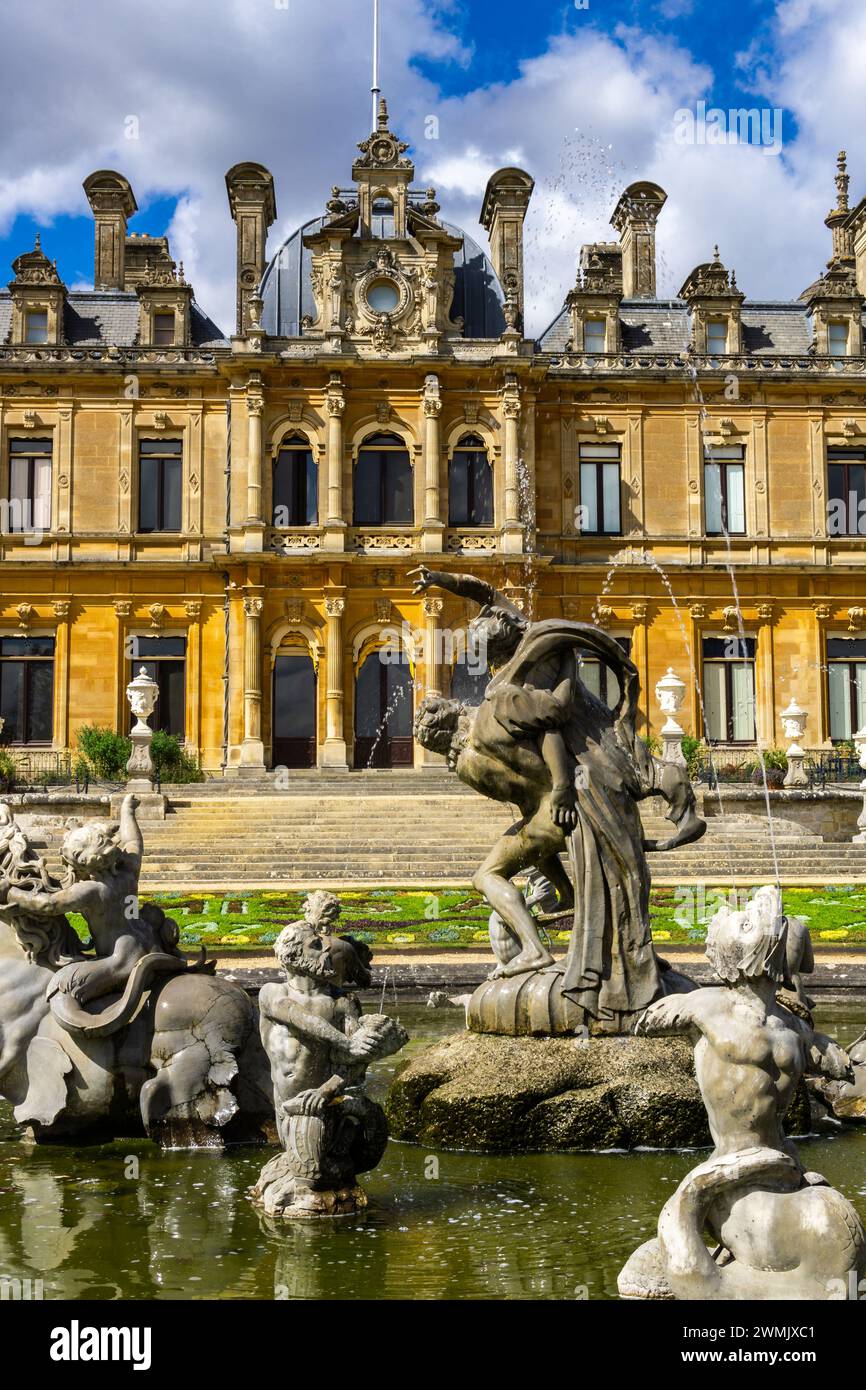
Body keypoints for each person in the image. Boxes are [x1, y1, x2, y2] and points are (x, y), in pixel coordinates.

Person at [410, 566, 704, 1019]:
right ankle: (620, 954)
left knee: (606, 867)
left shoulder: (505, 693)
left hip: (572, 781)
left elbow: (550, 725)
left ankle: (575, 958)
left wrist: (564, 788)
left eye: (477, 645)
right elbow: (484, 590)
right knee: (622, 867)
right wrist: (442, 579)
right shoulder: (530, 639)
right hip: (585, 761)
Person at [5, 794, 183, 1015]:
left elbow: (48, 905)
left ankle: (93, 1031)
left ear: (82, 865)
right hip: (151, 945)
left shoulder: (90, 891)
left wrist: (11, 892)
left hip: (121, 961)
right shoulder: (128, 874)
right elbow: (133, 842)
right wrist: (127, 811)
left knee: (64, 989)